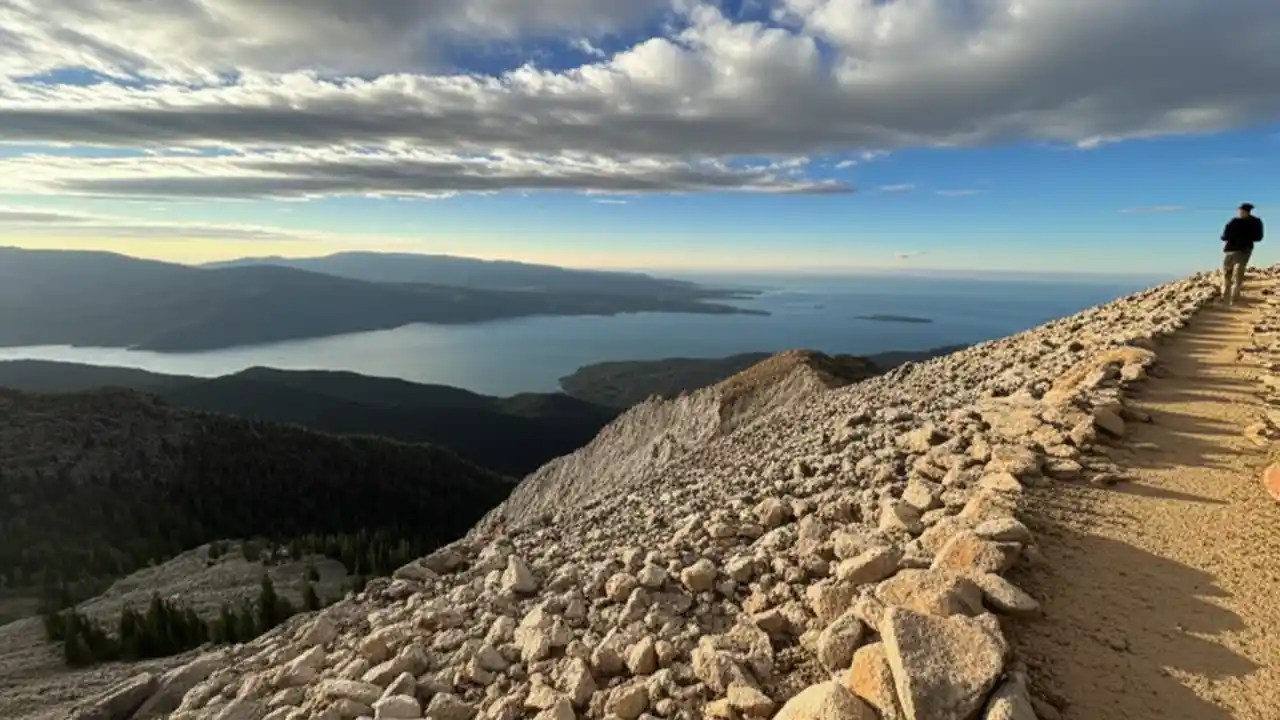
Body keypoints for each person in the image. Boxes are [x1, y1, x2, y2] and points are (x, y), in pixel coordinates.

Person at [1221, 203, 1264, 304]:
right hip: (1241, 250)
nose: (1240, 212)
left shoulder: (1234, 222)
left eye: (1241, 211)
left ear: (1244, 211)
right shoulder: (1255, 222)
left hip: (1236, 250)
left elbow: (1224, 236)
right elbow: (1258, 237)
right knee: (1234, 274)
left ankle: (1229, 298)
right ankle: (1231, 298)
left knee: (1230, 274)